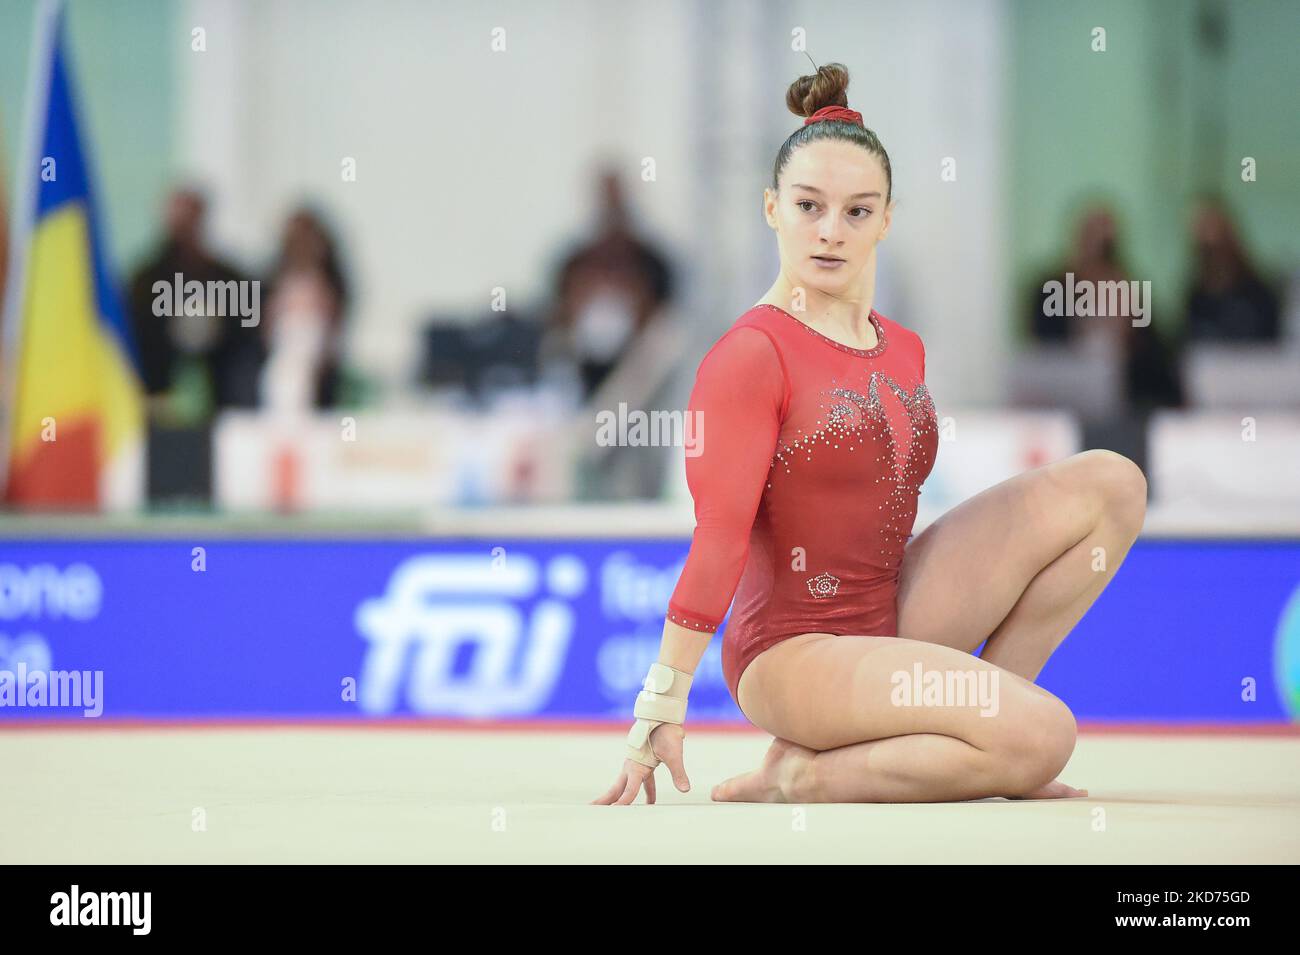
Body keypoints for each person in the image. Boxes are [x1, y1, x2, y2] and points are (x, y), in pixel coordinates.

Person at [593, 63, 1147, 806]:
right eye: (808, 206)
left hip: (890, 612)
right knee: (1047, 737)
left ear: (887, 218)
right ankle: (806, 771)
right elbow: (718, 541)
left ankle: (990, 741)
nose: (830, 231)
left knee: (1113, 484)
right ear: (771, 208)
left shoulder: (904, 347)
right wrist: (660, 700)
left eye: (857, 211)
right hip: (794, 653)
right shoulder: (749, 357)